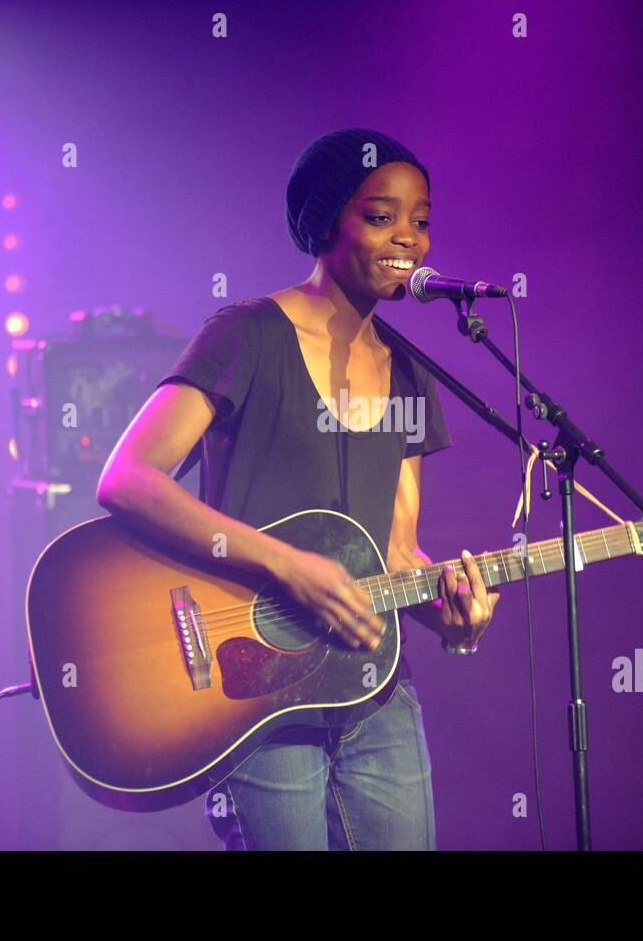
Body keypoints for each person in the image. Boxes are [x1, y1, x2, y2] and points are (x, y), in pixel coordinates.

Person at [96, 128, 501, 850]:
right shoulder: (247, 334)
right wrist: (288, 565)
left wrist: (453, 619)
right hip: (256, 693)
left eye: (421, 219)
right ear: (324, 224)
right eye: (381, 216)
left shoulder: (413, 376)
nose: (407, 237)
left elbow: (397, 553)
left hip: (376, 693)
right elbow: (128, 477)